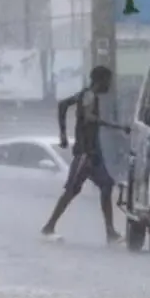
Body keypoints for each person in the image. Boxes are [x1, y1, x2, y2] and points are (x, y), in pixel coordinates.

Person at [42, 66, 131, 242]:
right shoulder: (89, 96)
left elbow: (63, 105)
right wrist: (117, 126)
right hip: (85, 154)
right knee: (71, 191)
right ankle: (49, 227)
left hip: (94, 154)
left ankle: (110, 232)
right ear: (101, 81)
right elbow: (89, 117)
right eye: (108, 81)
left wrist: (63, 133)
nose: (109, 86)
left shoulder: (85, 94)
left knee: (106, 186)